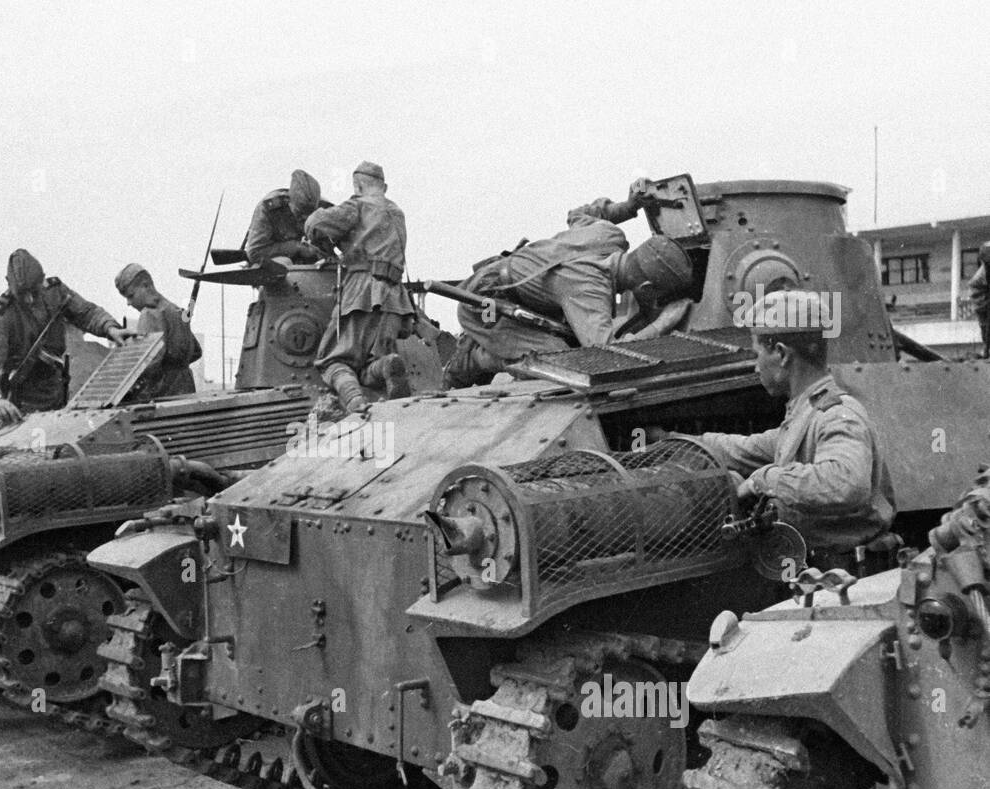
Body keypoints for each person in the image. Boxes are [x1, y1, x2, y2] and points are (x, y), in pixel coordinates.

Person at [676, 290, 896, 571]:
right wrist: (674, 441)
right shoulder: (805, 413)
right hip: (826, 571)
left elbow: (846, 483)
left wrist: (762, 480)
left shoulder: (837, 414)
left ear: (781, 354)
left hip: (848, 576)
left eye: (758, 354)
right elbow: (744, 448)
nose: (756, 366)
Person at [445, 181, 694, 388]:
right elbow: (607, 353)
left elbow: (577, 214)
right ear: (647, 287)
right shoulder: (589, 289)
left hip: (513, 289)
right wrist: (663, 323)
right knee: (563, 359)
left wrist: (628, 207)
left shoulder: (609, 235)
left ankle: (498, 342)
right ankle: (480, 358)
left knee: (570, 341)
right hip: (484, 303)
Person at [0, 249, 130, 427]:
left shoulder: (55, 291)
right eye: (22, 294)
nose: (29, 300)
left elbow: (86, 313)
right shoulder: (1, 316)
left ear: (42, 279)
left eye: (34, 292)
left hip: (56, 388)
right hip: (21, 401)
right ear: (7, 283)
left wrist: (110, 328)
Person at [304, 160, 415, 413]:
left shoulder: (357, 205)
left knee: (332, 361)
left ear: (358, 185)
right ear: (384, 186)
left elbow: (316, 225)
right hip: (395, 299)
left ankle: (354, 401)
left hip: (363, 292)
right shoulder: (397, 211)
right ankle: (387, 365)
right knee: (368, 368)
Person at [114, 263, 203, 399]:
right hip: (186, 389)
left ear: (146, 286)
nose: (128, 303)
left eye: (131, 295)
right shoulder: (177, 311)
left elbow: (148, 363)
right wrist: (178, 366)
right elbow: (196, 351)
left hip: (163, 395)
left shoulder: (150, 314)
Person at [244, 169, 331, 265]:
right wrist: (296, 247)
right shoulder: (269, 209)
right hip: (279, 269)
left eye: (309, 214)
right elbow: (255, 252)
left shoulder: (326, 210)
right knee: (285, 262)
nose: (304, 218)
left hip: (314, 269)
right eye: (300, 213)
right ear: (289, 201)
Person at [969, 240, 990, 359]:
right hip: (983, 301)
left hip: (983, 301)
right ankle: (987, 349)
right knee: (985, 327)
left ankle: (987, 349)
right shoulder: (981, 275)